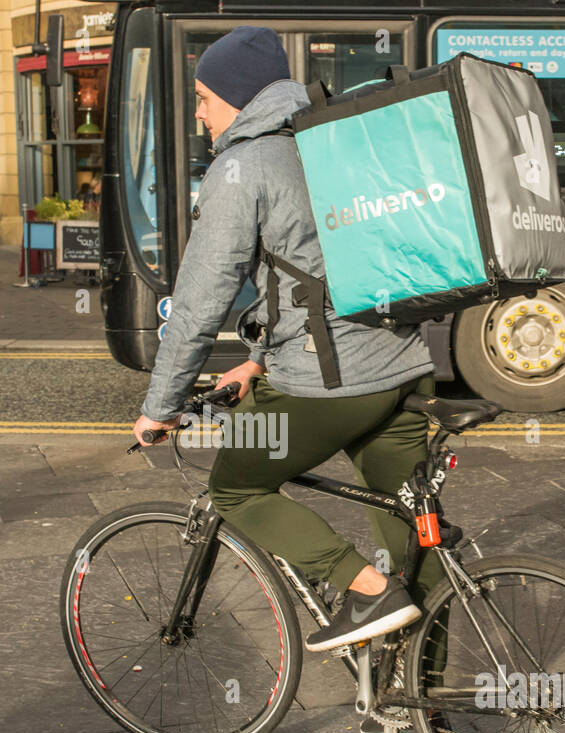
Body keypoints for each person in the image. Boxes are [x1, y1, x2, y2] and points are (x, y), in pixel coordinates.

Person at [132, 28, 440, 671]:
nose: (197, 112)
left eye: (202, 97)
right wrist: (259, 360)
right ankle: (418, 702)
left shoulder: (243, 166)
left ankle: (368, 590)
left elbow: (197, 302)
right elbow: (321, 270)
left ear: (239, 99)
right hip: (406, 366)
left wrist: (160, 405)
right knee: (410, 536)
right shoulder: (328, 139)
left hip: (334, 383)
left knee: (236, 489)